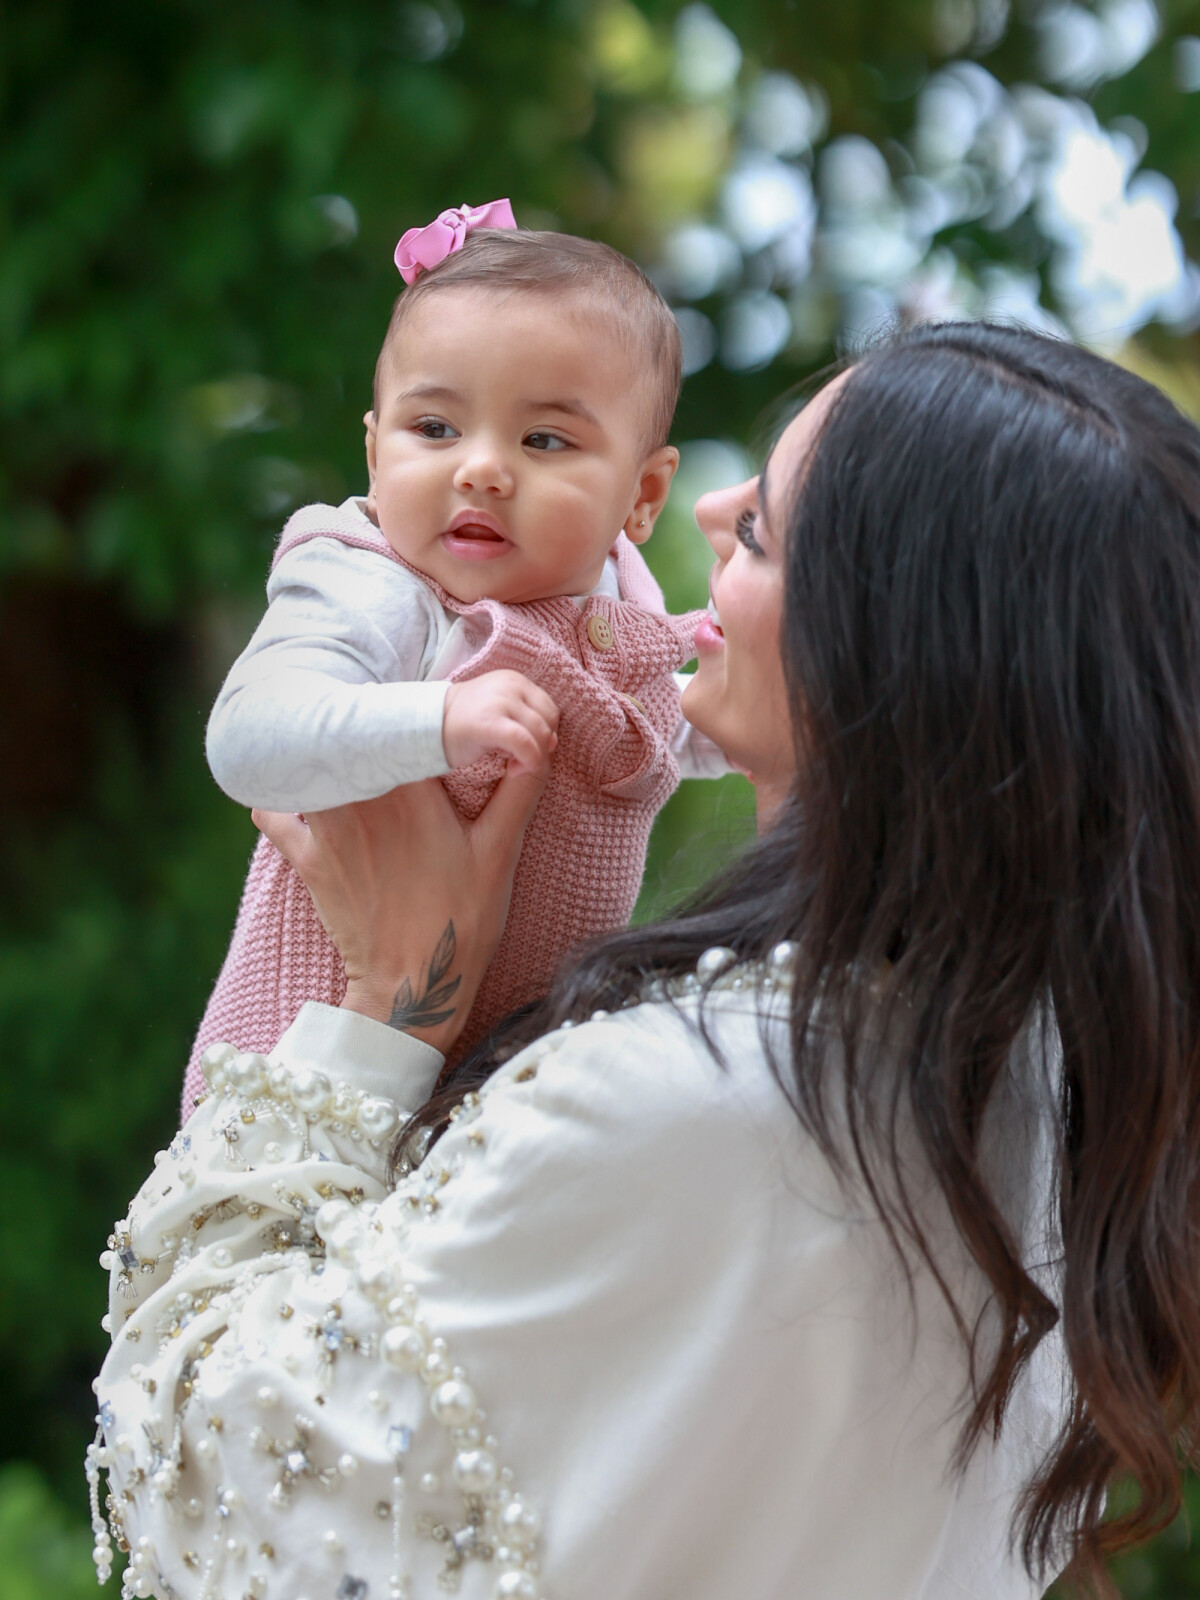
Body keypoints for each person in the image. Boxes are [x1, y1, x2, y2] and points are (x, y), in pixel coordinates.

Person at [92, 322, 1200, 1600]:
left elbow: (209, 1483)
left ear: (894, 649)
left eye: (765, 532)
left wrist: (395, 997)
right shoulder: (1057, 1098)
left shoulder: (700, 1092)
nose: (711, 511)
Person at [182, 200, 728, 1117]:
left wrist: (766, 711)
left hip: (501, 1103)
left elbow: (657, 729)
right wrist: (435, 720)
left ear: (642, 496)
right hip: (304, 1074)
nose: (480, 469)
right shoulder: (375, 583)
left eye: (543, 439)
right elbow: (246, 738)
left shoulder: (615, 615)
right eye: (434, 428)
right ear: (373, 452)